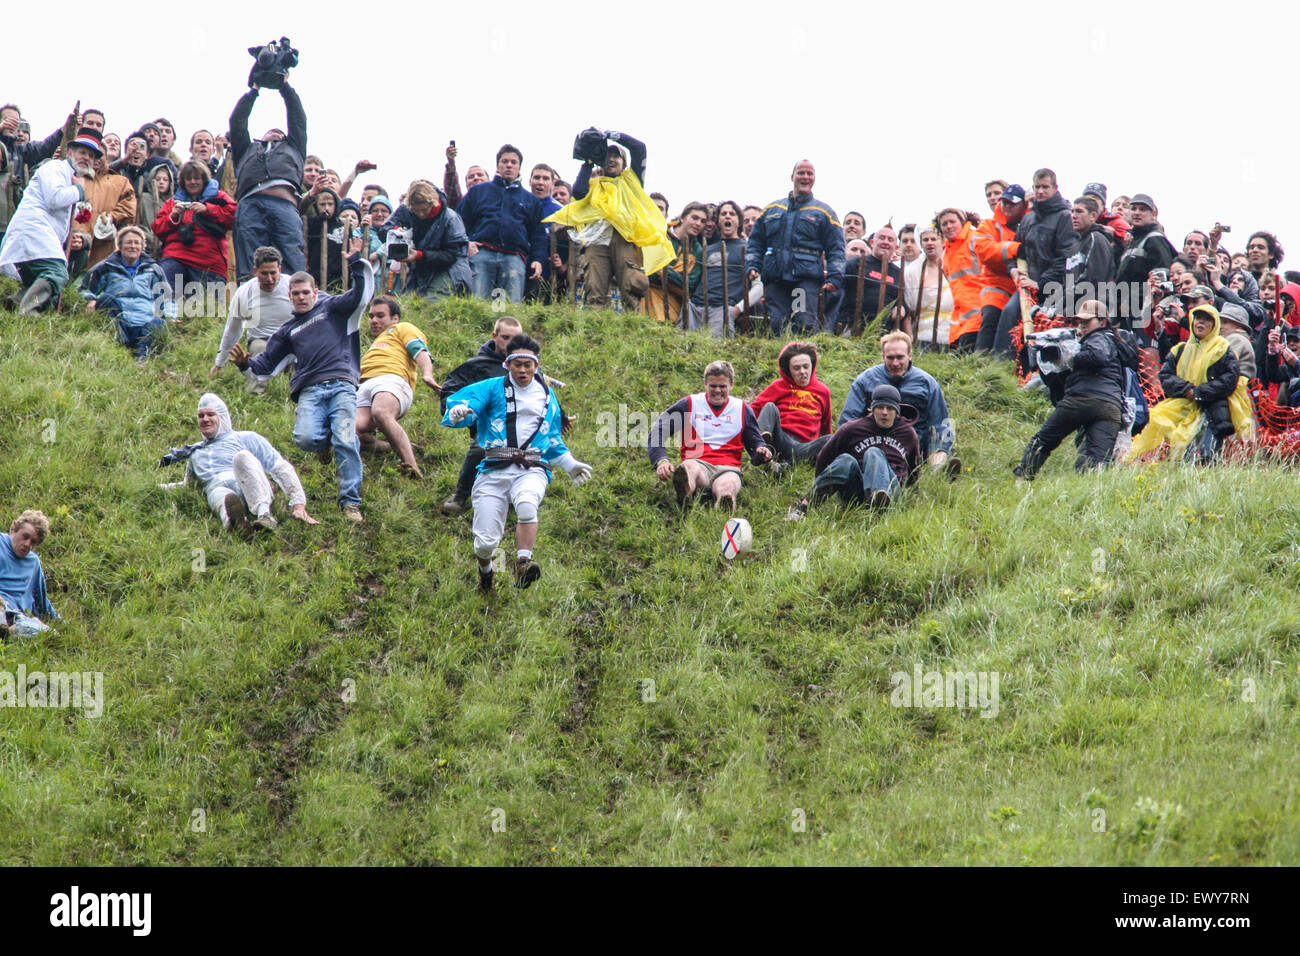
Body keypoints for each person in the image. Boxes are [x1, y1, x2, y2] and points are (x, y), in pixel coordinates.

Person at [230, 246, 374, 522]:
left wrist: (356, 262)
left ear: (315, 293)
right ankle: (326, 441)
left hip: (342, 383)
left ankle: (350, 502)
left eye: (305, 292)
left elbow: (361, 294)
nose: (300, 297)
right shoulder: (287, 332)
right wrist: (244, 364)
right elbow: (264, 369)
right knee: (305, 439)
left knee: (346, 439)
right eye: (295, 293)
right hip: (309, 389)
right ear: (289, 296)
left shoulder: (334, 309)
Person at [442, 333, 592, 592]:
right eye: (517, 364)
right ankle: (486, 573)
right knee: (485, 544)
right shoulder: (491, 387)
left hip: (532, 468)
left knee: (526, 503)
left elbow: (552, 438)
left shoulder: (547, 396)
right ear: (507, 364)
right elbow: (469, 404)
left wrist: (569, 464)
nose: (523, 370)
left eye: (528, 365)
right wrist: (458, 412)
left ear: (536, 365)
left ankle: (523, 563)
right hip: (493, 470)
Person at [160, 392, 317, 539]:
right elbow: (188, 486)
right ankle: (235, 524)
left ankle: (264, 516)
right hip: (217, 488)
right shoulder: (195, 452)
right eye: (201, 416)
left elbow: (280, 467)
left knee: (241, 457)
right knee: (219, 495)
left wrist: (298, 505)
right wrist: (157, 488)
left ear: (222, 417)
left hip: (246, 483)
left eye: (210, 414)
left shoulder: (246, 438)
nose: (205, 419)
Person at [550, 130, 662, 312]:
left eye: (616, 156)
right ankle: (596, 328)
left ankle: (632, 326)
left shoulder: (632, 181)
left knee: (631, 284)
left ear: (624, 163)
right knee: (594, 285)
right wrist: (588, 162)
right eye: (607, 155)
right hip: (598, 239)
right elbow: (578, 192)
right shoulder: (594, 183)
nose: (611, 159)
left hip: (623, 239)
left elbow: (640, 148)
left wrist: (610, 135)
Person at [1013, 300, 1125, 479]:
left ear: (1103, 322)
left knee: (1043, 440)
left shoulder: (1100, 337)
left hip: (1081, 400)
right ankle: (1092, 497)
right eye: (1080, 322)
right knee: (1099, 461)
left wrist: (1068, 357)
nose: (1083, 325)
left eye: (1087, 321)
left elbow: (1097, 355)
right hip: (1110, 406)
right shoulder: (1115, 342)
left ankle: (1021, 480)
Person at [1129, 304, 1252, 462]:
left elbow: (1229, 380)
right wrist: (1187, 390)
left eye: (1207, 320)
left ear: (1214, 325)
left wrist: (1199, 392)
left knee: (1208, 456)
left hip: (1213, 410)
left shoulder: (1223, 349)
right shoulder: (1180, 350)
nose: (1200, 323)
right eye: (1198, 318)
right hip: (1182, 406)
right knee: (1182, 454)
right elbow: (1166, 376)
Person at [648, 360, 773, 512]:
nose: (717, 390)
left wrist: (761, 451)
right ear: (705, 383)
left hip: (728, 469)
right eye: (713, 386)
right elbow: (658, 430)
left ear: (731, 385)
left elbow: (754, 442)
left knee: (727, 486)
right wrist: (661, 460)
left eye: (723, 386)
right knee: (688, 468)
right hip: (698, 464)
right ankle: (685, 493)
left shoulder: (742, 409)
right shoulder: (689, 404)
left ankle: (723, 503)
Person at [0, 127, 95, 314]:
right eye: (82, 152)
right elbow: (55, 198)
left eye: (91, 156)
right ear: (69, 152)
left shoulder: (71, 178)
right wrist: (79, 191)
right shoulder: (55, 167)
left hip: (39, 236)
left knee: (36, 283)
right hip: (33, 231)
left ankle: (15, 303)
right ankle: (29, 310)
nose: (87, 158)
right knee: (57, 274)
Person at [840, 331, 959, 475]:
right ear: (883, 357)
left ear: (910, 355)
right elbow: (848, 419)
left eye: (900, 357)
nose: (895, 363)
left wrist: (942, 449)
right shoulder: (865, 380)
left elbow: (941, 421)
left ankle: (939, 468)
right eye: (890, 358)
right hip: (873, 439)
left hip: (914, 442)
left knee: (939, 442)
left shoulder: (927, 383)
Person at [746, 160, 844, 335]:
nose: (805, 177)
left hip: (805, 279)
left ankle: (804, 361)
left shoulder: (825, 213)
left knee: (804, 323)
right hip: (775, 278)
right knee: (777, 324)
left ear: (814, 179)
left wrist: (835, 277)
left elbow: (836, 248)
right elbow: (755, 242)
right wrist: (752, 265)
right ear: (792, 176)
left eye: (809, 173)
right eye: (801, 173)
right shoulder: (771, 209)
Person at [439, 316, 524, 515]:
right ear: (494, 336)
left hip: (522, 425)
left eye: (516, 338)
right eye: (505, 337)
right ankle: (461, 495)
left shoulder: (525, 365)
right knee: (480, 447)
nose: (511, 343)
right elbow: (451, 389)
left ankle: (518, 495)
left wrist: (560, 417)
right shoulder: (476, 365)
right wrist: (455, 408)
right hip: (489, 425)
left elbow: (543, 394)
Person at [228, 79, 308, 279]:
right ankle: (249, 304)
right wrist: (253, 90)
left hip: (285, 205)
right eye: (270, 132)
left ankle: (296, 304)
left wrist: (284, 86)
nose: (275, 132)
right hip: (251, 203)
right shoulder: (247, 150)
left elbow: (297, 117)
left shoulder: (294, 147)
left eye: (280, 133)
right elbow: (237, 122)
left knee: (292, 256)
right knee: (250, 259)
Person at [994, 168, 1074, 357]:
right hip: (1027, 289)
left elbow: (1065, 257)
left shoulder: (1065, 217)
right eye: (1037, 187)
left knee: (1044, 330)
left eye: (1045, 187)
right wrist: (1012, 270)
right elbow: (1016, 250)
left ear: (1055, 188)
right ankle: (999, 368)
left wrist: (1041, 283)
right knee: (1009, 314)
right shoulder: (1028, 218)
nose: (1040, 191)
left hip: (1054, 288)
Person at [356, 295, 439, 477]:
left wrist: (428, 374)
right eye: (371, 317)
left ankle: (412, 466)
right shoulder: (375, 344)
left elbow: (420, 351)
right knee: (352, 433)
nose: (373, 321)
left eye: (380, 316)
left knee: (381, 413)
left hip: (391, 380)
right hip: (364, 385)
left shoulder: (403, 328)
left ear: (395, 318)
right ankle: (393, 444)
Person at [804, 384, 919, 511]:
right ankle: (805, 506)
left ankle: (880, 501)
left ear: (897, 412)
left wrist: (912, 497)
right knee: (846, 460)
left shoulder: (908, 433)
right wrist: (821, 481)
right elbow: (824, 457)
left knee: (874, 453)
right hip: (858, 490)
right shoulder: (852, 429)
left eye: (890, 408)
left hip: (892, 490)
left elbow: (914, 469)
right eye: (880, 407)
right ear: (872, 409)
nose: (884, 413)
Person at [456, 143, 546, 303]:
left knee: (507, 308)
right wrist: (466, 243)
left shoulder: (530, 200)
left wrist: (538, 259)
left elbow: (538, 235)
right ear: (498, 165)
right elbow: (457, 223)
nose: (509, 165)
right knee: (479, 305)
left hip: (514, 258)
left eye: (513, 162)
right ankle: (480, 329)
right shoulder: (478, 192)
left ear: (519, 167)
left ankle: (503, 329)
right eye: (505, 161)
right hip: (481, 255)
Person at [152, 160, 237, 306]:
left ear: (204, 180)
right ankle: (166, 324)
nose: (192, 182)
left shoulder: (219, 198)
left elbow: (234, 217)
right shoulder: (173, 202)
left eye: (196, 178)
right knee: (164, 294)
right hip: (176, 257)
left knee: (207, 310)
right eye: (188, 179)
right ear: (183, 182)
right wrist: (173, 216)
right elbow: (158, 229)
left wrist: (208, 210)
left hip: (209, 261)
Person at [81, 225, 173, 358]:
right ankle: (120, 345)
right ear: (120, 245)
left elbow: (166, 297)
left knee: (159, 323)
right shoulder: (105, 267)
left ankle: (141, 356)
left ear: (142, 247)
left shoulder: (153, 269)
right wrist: (91, 300)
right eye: (128, 242)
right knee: (106, 299)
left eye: (137, 243)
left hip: (145, 321)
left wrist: (171, 316)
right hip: (119, 321)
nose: (133, 246)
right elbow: (85, 288)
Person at [211, 245, 293, 393]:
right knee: (259, 349)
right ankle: (255, 393)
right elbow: (232, 329)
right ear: (255, 272)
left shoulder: (292, 286)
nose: (269, 279)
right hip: (261, 340)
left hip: (290, 338)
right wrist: (219, 363)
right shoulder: (244, 292)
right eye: (264, 273)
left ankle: (301, 390)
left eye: (273, 273)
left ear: (280, 270)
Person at [371, 179, 471, 300]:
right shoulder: (407, 209)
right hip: (421, 270)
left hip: (450, 270)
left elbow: (452, 255)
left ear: (432, 203)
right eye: (416, 211)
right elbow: (384, 230)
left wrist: (419, 255)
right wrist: (396, 231)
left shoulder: (451, 219)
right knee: (408, 304)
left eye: (424, 210)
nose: (420, 214)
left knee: (431, 302)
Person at [750, 342, 834, 469]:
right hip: (780, 439)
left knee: (832, 439)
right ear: (788, 370)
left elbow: (825, 426)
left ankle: (782, 467)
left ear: (812, 366)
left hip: (805, 446)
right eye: (796, 368)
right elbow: (752, 410)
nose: (802, 372)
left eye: (806, 367)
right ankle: (761, 451)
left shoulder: (823, 391)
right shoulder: (778, 386)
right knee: (770, 407)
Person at [1114, 193, 1176, 336]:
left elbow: (1161, 281)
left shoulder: (1155, 239)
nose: (1137, 212)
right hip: (1127, 311)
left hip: (1144, 312)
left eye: (1142, 209)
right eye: (1134, 208)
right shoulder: (1131, 240)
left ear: (1153, 214)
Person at [972, 184, 1025, 353]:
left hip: (1022, 285)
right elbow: (984, 251)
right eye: (1004, 202)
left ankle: (1006, 368)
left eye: (1012, 203)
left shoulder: (1030, 224)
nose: (1007, 206)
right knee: (990, 317)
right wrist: (1015, 248)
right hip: (996, 285)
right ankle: (981, 364)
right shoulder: (988, 226)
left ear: (1023, 205)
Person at [692, 200, 752, 336]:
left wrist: (737, 309)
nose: (727, 216)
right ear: (718, 221)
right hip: (695, 306)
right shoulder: (706, 249)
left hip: (723, 309)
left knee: (715, 350)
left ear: (739, 221)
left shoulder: (748, 249)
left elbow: (758, 286)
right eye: (723, 214)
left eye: (732, 214)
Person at [0, 510, 59, 640]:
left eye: (33, 542)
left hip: (16, 616)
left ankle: (9, 632)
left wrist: (60, 621)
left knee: (51, 634)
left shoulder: (33, 563)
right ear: (14, 529)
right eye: (25, 536)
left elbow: (41, 601)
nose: (27, 544)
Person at [646, 202, 706, 324]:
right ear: (682, 218)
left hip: (674, 307)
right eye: (694, 218)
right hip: (646, 298)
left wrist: (663, 271)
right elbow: (647, 272)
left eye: (703, 221)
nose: (698, 224)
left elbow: (690, 287)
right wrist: (675, 277)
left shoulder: (697, 250)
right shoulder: (660, 234)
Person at [935, 210, 982, 350]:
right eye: (944, 224)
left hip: (980, 313)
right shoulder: (945, 253)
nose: (948, 226)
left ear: (962, 222)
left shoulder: (975, 239)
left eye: (952, 222)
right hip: (961, 318)